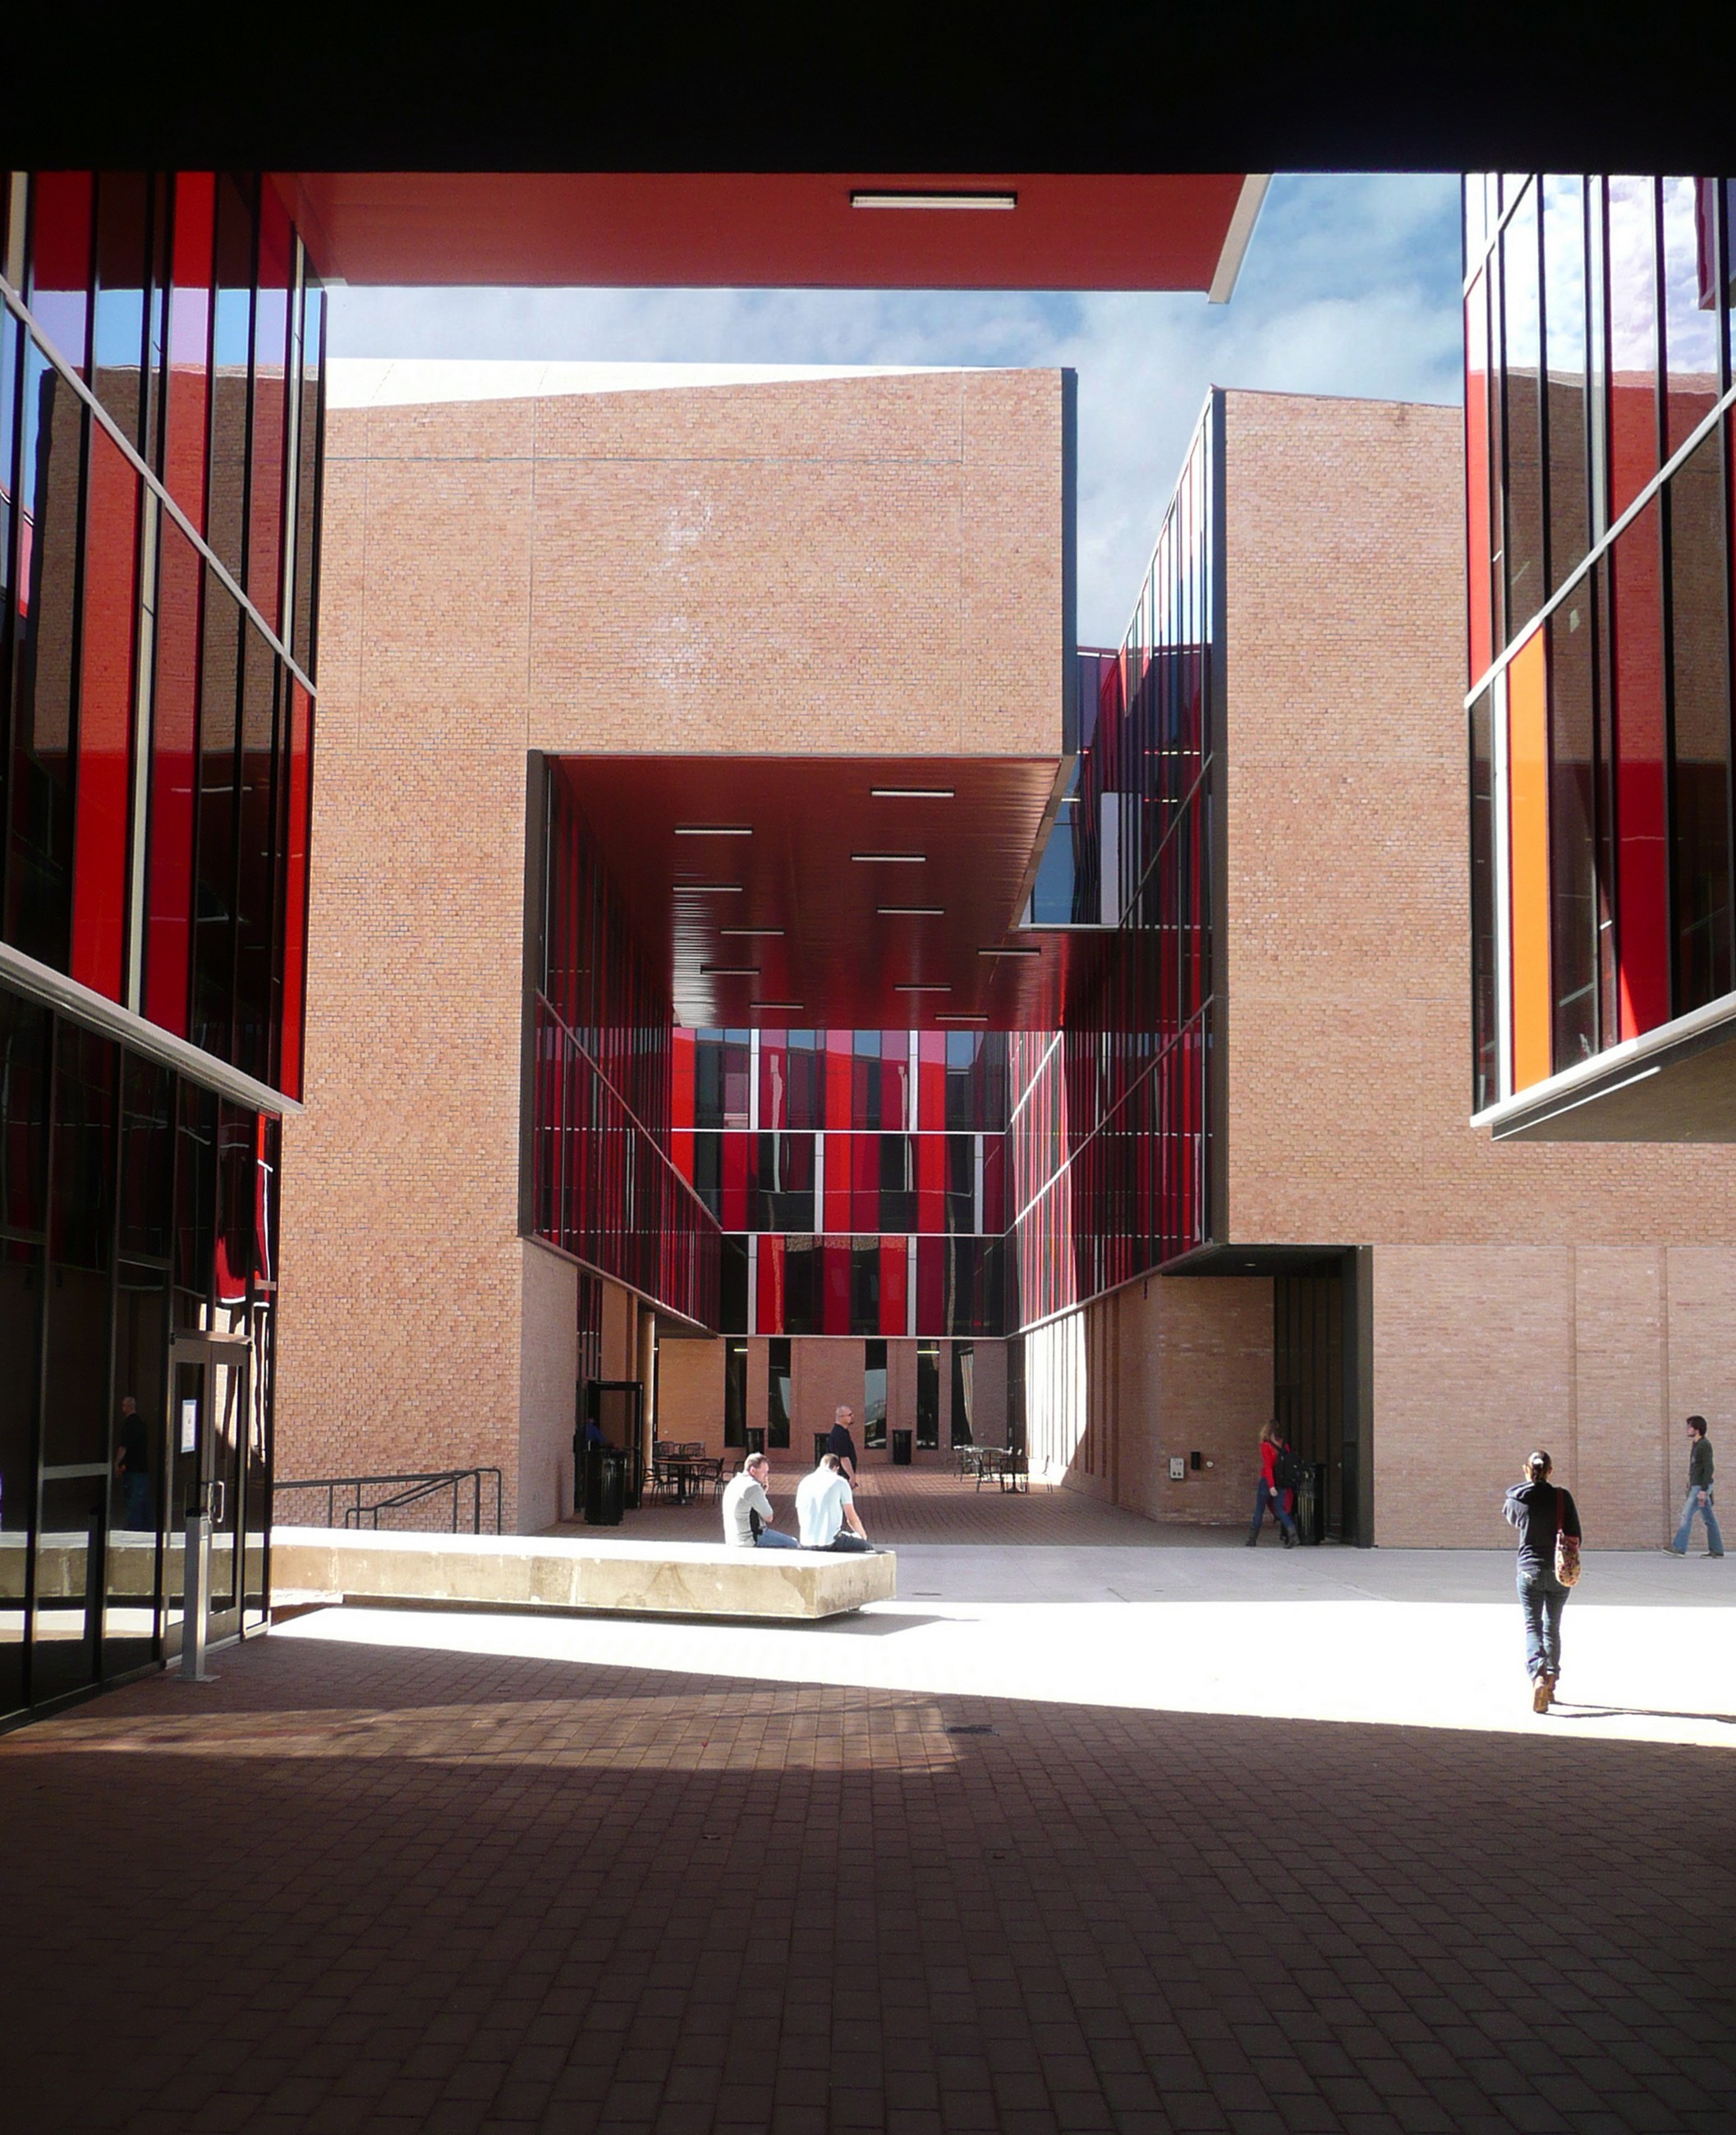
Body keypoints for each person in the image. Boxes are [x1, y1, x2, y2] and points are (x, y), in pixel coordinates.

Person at [1504, 1449, 1582, 1713]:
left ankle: (1537, 1675)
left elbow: (1510, 1513)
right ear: (1551, 1471)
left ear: (1527, 1470)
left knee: (1532, 1626)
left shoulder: (1518, 1498)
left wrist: (1527, 1483)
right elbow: (1576, 1534)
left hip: (1528, 1571)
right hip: (1559, 1570)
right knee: (1552, 1626)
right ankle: (1551, 1679)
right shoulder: (1562, 1497)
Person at [796, 1450, 873, 1552]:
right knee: (867, 1547)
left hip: (805, 1542)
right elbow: (851, 1519)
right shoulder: (840, 1482)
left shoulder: (804, 1482)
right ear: (836, 1468)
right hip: (831, 1543)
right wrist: (863, 1536)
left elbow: (801, 1516)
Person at [721, 1451, 800, 1550]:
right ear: (753, 1471)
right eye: (764, 1472)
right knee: (794, 1544)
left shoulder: (734, 1482)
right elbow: (769, 1517)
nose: (766, 1476)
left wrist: (762, 1493)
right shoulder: (753, 1487)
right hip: (751, 1539)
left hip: (733, 1539)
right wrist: (762, 1493)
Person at [1669, 1416, 1724, 1558]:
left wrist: (1704, 1490)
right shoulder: (1696, 1444)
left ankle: (1679, 1548)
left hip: (1700, 1486)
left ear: (1697, 1429)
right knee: (1709, 1519)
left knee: (1686, 1515)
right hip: (1697, 1485)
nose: (1687, 1429)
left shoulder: (1704, 1445)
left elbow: (1709, 1468)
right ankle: (1717, 1550)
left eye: (1689, 1426)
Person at [1246, 1421, 1297, 1548]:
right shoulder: (1284, 1445)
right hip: (1282, 1481)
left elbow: (1268, 1467)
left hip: (1268, 1481)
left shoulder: (1266, 1445)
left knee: (1259, 1510)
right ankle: (1293, 1535)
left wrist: (1271, 1485)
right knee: (1280, 1509)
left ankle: (1252, 1539)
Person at [113, 1395, 152, 1531]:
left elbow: (124, 1447)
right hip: (142, 1467)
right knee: (143, 1501)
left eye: (124, 1405)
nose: (122, 1408)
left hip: (132, 1469)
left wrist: (117, 1463)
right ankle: (147, 1528)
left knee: (133, 1501)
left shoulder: (128, 1424)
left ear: (129, 1407)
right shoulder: (141, 1423)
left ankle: (134, 1529)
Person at [826, 1404, 860, 1488]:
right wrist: (852, 1476)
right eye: (849, 1415)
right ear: (841, 1417)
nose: (853, 1416)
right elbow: (843, 1458)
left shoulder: (843, 1432)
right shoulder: (840, 1434)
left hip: (840, 1476)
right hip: (840, 1477)